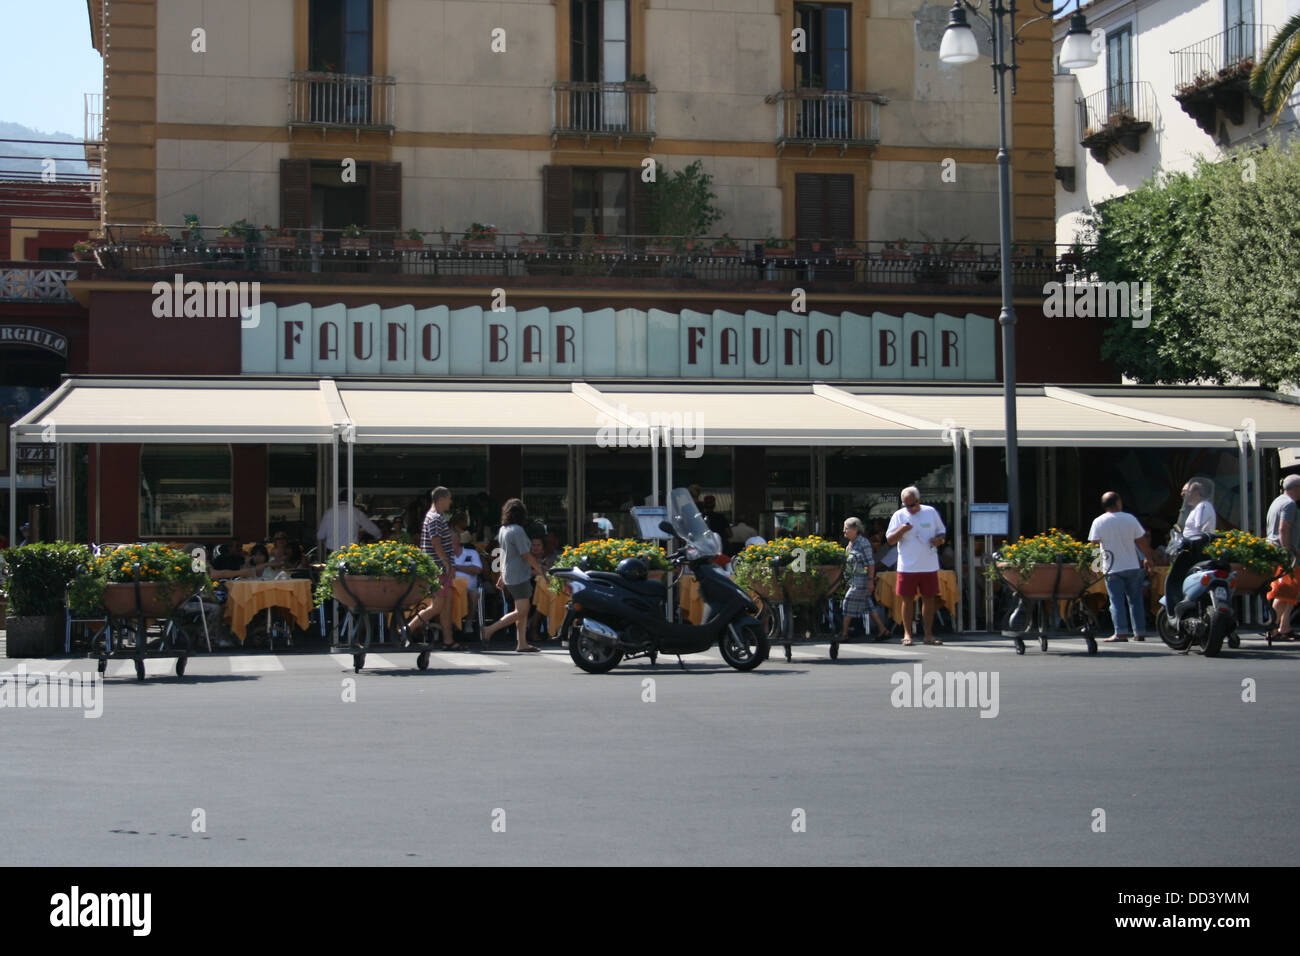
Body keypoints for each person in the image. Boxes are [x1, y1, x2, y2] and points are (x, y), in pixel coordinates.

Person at [1088, 491, 1158, 643]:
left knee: (1116, 601)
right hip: (1132, 566)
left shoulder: (1098, 522)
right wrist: (1148, 558)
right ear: (1118, 503)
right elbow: (1141, 541)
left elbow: (1094, 546)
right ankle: (1139, 632)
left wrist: (1095, 566)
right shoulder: (1130, 518)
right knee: (1135, 600)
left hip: (1112, 567)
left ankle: (1121, 633)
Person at [481, 498, 547, 652]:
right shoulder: (517, 530)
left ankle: (522, 643)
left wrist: (502, 575)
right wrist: (540, 571)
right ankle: (489, 630)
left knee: (520, 610)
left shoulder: (503, 530)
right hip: (519, 575)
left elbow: (505, 555)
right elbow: (526, 555)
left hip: (510, 573)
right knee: (522, 610)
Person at [885, 486, 946, 646]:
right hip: (907, 565)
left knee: (929, 599)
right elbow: (890, 540)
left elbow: (942, 533)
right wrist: (902, 530)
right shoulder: (899, 515)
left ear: (919, 500)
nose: (910, 508)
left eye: (913, 504)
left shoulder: (930, 512)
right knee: (907, 600)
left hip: (929, 563)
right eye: (907, 505)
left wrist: (939, 540)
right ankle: (907, 633)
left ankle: (928, 635)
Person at [407, 486, 459, 650]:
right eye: (449, 498)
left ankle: (448, 640)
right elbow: (436, 544)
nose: (450, 501)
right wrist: (447, 565)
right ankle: (406, 629)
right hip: (438, 569)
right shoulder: (435, 518)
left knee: (446, 605)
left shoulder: (434, 517)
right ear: (441, 499)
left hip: (440, 568)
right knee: (437, 606)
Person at [840, 517, 892, 642]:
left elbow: (870, 563)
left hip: (862, 580)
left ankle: (844, 633)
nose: (844, 531)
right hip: (853, 580)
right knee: (869, 607)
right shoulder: (849, 545)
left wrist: (870, 581)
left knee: (847, 603)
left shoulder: (864, 543)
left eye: (846, 528)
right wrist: (847, 582)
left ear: (855, 529)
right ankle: (883, 630)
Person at [1264, 474, 1300, 641]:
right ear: (1296, 488)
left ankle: (1284, 627)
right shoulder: (1289, 504)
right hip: (1284, 553)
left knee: (1290, 591)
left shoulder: (1277, 501)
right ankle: (1272, 628)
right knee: (1283, 591)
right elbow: (1283, 529)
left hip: (1275, 550)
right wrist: (1288, 553)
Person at [316, 493, 381, 556]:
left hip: (332, 551)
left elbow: (320, 535)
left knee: (332, 567)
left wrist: (328, 542)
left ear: (338, 498)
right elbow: (373, 530)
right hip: (350, 552)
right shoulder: (356, 512)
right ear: (353, 500)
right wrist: (378, 537)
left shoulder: (329, 512)